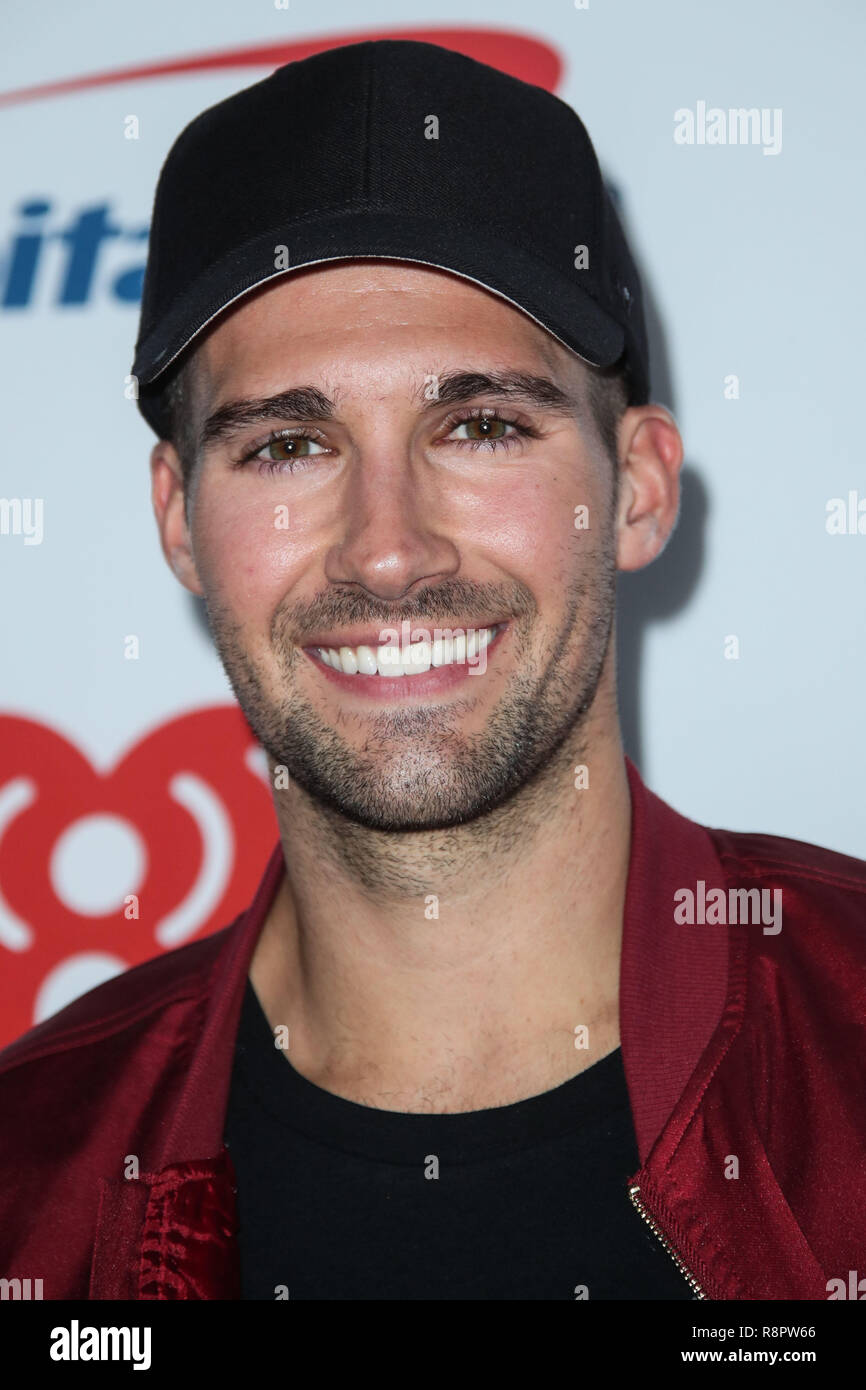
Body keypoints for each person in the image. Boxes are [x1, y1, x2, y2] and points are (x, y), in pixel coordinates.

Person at [1, 39, 864, 1302]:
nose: (390, 550)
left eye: (480, 425)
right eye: (290, 445)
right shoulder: (34, 1177)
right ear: (179, 520)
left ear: (637, 487)